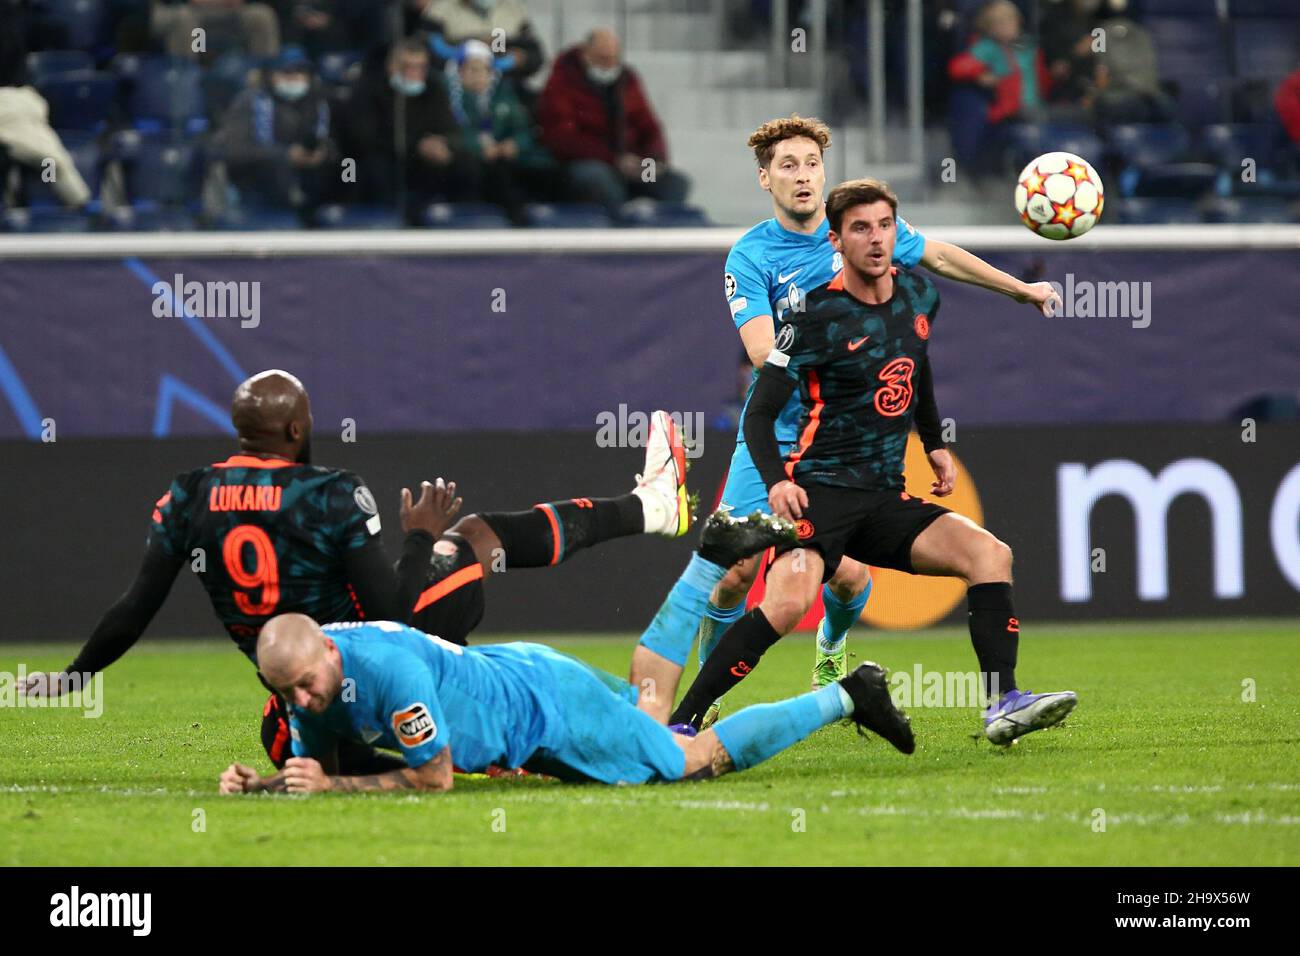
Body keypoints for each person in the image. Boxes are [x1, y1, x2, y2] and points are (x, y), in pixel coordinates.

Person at [627, 114, 1062, 730]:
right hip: (777, 434)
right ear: (765, 179)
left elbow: (936, 258)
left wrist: (1019, 289)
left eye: (811, 164)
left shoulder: (859, 235)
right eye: (788, 166)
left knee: (851, 575)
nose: (803, 177)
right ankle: (705, 693)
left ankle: (831, 653)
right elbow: (759, 355)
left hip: (850, 443)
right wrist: (838, 317)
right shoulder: (752, 256)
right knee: (736, 573)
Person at [19, 372, 691, 768]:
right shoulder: (329, 492)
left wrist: (73, 678)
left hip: (297, 682)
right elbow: (393, 612)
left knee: (284, 740)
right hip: (363, 652)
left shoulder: (189, 493)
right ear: (297, 430)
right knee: (472, 540)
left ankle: (377, 747)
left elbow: (135, 605)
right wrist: (420, 539)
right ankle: (652, 507)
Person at [216, 510, 915, 795]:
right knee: (653, 706)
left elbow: (433, 780)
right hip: (524, 677)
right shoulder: (304, 668)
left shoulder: (386, 672)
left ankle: (850, 692)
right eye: (290, 694)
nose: (302, 701)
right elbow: (317, 764)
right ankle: (705, 565)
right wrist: (267, 786)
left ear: (327, 653)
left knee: (683, 762)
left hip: (546, 711)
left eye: (308, 686)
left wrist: (331, 788)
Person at [537, 28, 689, 215]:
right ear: (585, 55)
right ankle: (616, 231)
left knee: (672, 184)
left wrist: (653, 159)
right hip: (585, 164)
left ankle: (656, 231)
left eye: (614, 58)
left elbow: (648, 126)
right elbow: (562, 138)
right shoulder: (563, 80)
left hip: (631, 165)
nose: (609, 65)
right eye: (602, 58)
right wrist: (614, 160)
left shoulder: (627, 80)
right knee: (599, 180)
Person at [338, 36, 469, 216]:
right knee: (374, 168)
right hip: (385, 159)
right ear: (392, 66)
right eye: (409, 66)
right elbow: (363, 137)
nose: (416, 73)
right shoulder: (368, 89)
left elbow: (450, 128)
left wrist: (444, 144)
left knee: (463, 163)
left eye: (421, 67)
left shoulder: (434, 87)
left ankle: (454, 218)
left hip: (424, 162)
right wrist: (417, 145)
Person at [213, 46, 334, 218]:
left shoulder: (319, 103)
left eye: (300, 71)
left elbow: (338, 144)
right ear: (270, 75)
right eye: (286, 72)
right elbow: (234, 151)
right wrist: (285, 155)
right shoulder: (249, 102)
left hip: (310, 184)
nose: (294, 78)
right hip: (257, 187)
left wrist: (323, 153)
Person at [445, 39, 549, 223]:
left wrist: (515, 144)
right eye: (472, 69)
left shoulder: (504, 95)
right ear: (459, 71)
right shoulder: (450, 99)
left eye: (485, 69)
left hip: (503, 161)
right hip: (469, 165)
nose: (479, 76)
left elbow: (523, 130)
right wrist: (478, 147)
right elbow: (452, 133)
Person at [0, 4, 91, 210]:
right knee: (46, 158)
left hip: (15, 103)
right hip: (14, 109)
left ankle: (54, 203)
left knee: (46, 159)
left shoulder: (9, 16)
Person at [947, 0, 1051, 175]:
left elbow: (1043, 77)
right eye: (1000, 23)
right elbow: (957, 67)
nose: (1007, 27)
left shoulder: (1028, 46)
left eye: (1010, 21)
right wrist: (979, 73)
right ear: (989, 27)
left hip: (1038, 106)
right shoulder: (987, 48)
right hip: (1009, 112)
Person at [414, 0, 545, 86]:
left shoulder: (514, 9)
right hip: (453, 85)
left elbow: (535, 56)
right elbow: (424, 51)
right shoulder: (440, 10)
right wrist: (460, 58)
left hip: (504, 86)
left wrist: (519, 59)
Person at [151, 0, 281, 59]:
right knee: (185, 19)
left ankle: (262, 78)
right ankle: (186, 81)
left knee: (261, 16)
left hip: (231, 11)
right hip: (186, 12)